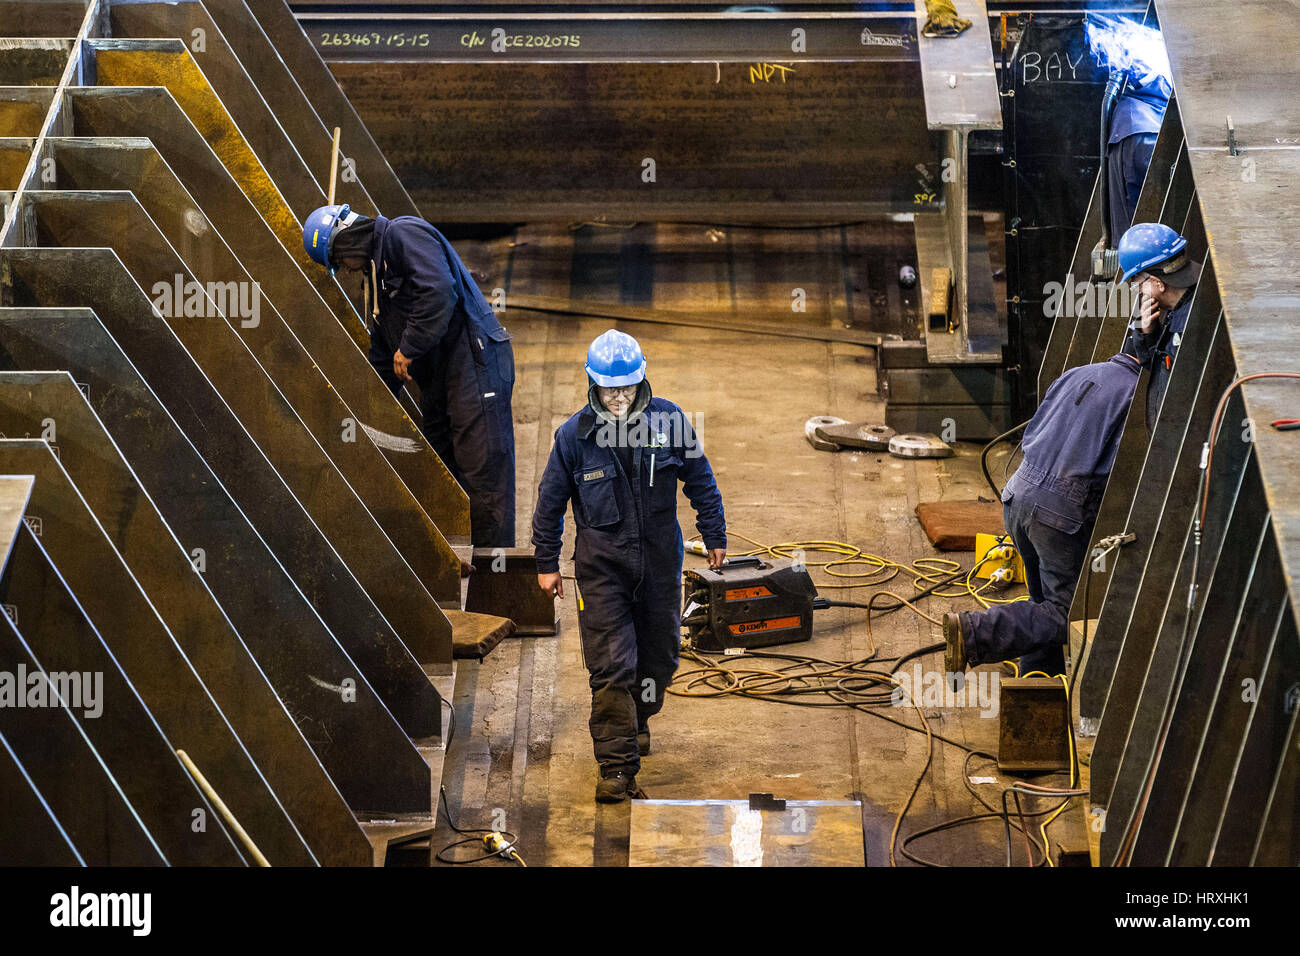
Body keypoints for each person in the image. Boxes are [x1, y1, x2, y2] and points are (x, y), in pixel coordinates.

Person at [532, 330, 727, 802]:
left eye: (627, 388)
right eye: (608, 389)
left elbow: (700, 478)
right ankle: (617, 769)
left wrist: (715, 532)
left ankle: (639, 717)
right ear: (593, 386)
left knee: (659, 660)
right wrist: (546, 560)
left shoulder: (669, 422)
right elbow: (550, 502)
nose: (618, 398)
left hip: (660, 564)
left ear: (642, 383)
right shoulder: (573, 438)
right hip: (602, 571)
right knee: (612, 667)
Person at [302, 204, 516, 548]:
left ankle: (496, 573)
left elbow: (439, 290)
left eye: (338, 259)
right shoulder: (375, 279)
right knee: (441, 469)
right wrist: (369, 417)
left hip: (475, 362)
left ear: (346, 241)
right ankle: (458, 560)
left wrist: (410, 347)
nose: (343, 268)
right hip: (439, 376)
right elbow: (384, 354)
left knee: (482, 472)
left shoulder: (404, 234)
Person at [944, 350, 1143, 677]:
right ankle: (974, 632)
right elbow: (1126, 473)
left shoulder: (1078, 371)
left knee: (1042, 606)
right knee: (1069, 613)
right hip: (1057, 515)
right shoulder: (1135, 395)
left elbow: (1034, 433)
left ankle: (1039, 684)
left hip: (1017, 495)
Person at [1117, 222, 1202, 431]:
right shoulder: (1178, 310)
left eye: (1137, 283)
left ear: (1158, 283)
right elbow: (1156, 369)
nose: (1137, 291)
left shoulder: (1190, 326)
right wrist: (1148, 333)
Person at [1107, 74, 1170, 242]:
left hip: (1136, 244)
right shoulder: (1140, 124)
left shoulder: (1130, 113)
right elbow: (1159, 194)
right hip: (1144, 248)